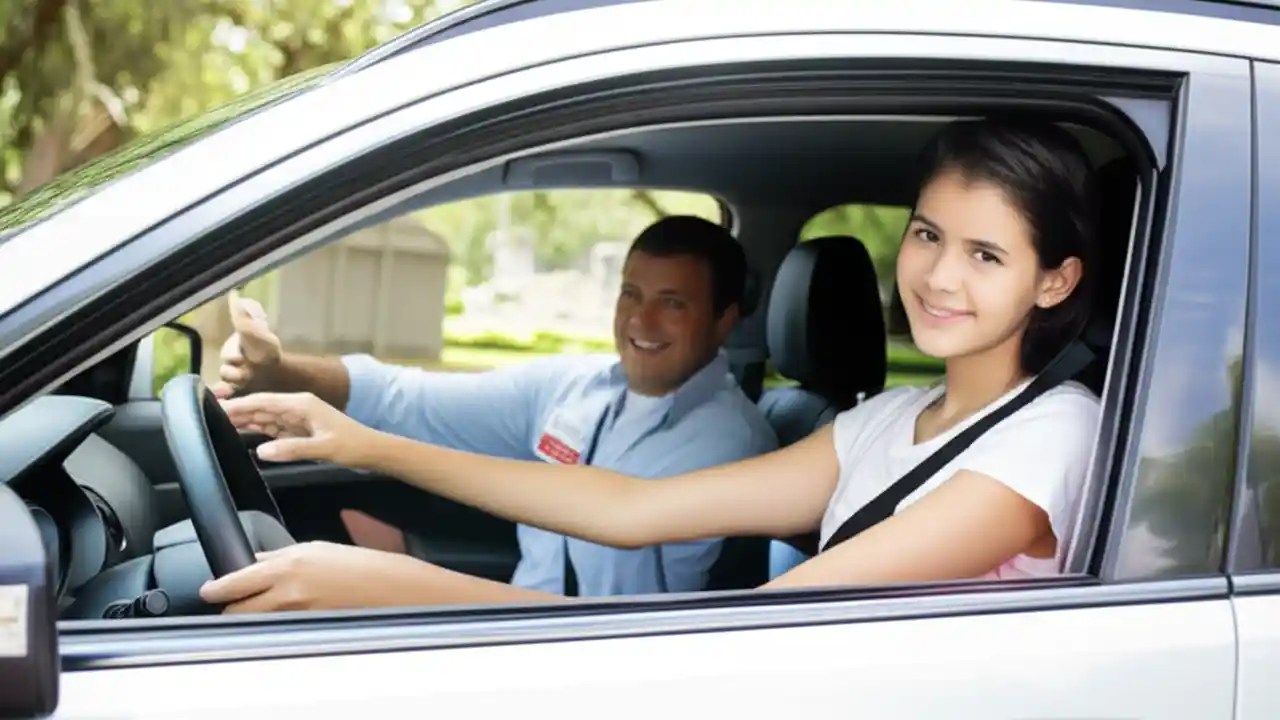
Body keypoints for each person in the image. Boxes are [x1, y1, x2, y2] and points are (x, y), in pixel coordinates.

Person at [203, 117, 1103, 613]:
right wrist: (371, 447)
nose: (939, 276)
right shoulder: (884, 421)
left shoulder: (1049, 438)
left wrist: (400, 591)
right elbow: (632, 509)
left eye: (987, 256)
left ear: (1056, 280)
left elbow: (750, 631)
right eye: (928, 235)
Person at [210, 214, 778, 599]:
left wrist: (394, 570)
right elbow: (402, 396)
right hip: (517, 634)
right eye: (631, 292)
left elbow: (611, 523)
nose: (639, 320)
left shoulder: (731, 443)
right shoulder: (572, 386)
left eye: (672, 303)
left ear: (725, 318)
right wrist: (278, 370)